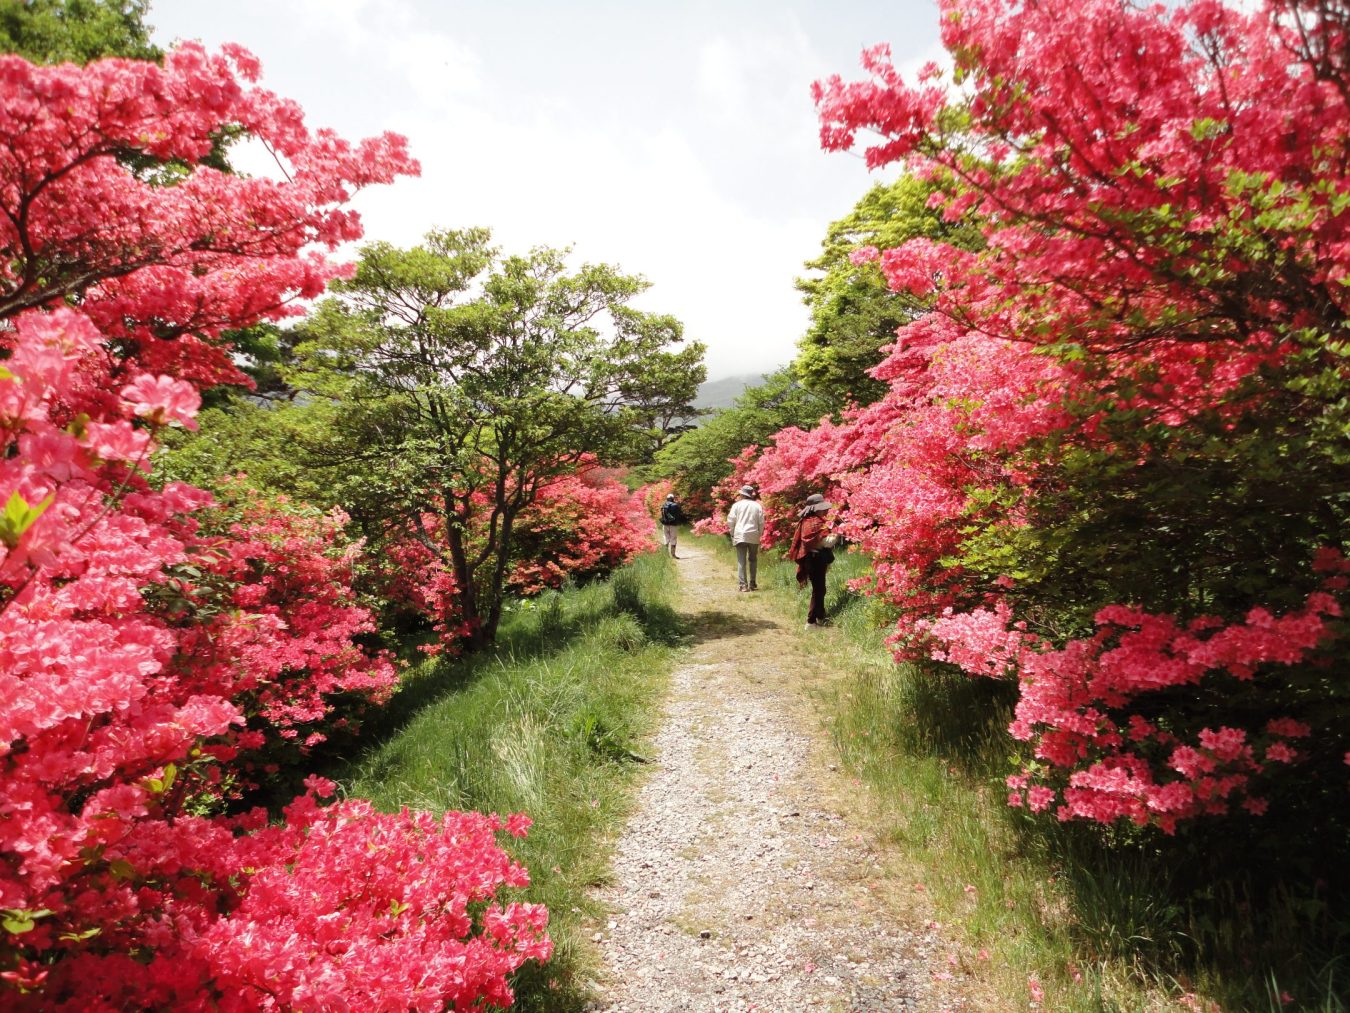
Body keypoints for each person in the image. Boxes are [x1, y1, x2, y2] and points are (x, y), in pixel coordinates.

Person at [788, 492, 834, 628]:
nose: (826, 510)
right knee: (818, 590)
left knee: (820, 589)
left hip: (814, 559)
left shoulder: (810, 521)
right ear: (815, 508)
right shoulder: (813, 522)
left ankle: (820, 616)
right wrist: (835, 537)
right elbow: (819, 542)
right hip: (815, 559)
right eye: (823, 508)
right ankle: (811, 621)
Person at [726, 484, 765, 591]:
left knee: (741, 561)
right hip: (753, 535)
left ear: (742, 494)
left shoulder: (736, 505)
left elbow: (731, 520)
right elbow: (761, 522)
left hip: (740, 535)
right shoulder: (757, 506)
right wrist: (759, 534)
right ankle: (753, 583)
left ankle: (743, 585)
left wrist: (732, 533)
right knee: (753, 560)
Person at [659, 493, 688, 558]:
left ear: (667, 499)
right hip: (673, 525)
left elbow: (662, 515)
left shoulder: (664, 505)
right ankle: (673, 554)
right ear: (673, 499)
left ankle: (665, 554)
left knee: (666, 538)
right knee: (673, 539)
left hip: (665, 524)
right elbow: (679, 514)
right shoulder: (676, 505)